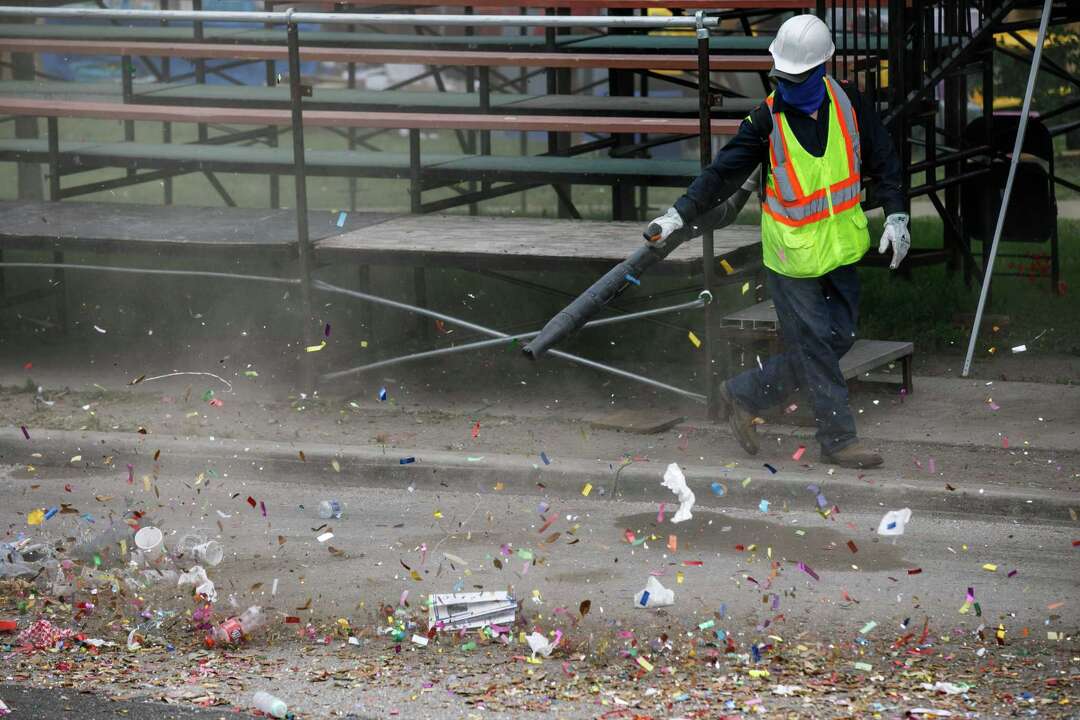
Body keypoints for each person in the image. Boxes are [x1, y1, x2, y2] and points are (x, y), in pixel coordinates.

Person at [645, 14, 910, 469]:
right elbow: (721, 174)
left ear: (823, 67)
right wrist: (676, 215)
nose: (789, 84)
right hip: (790, 259)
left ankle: (742, 392)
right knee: (814, 344)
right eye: (782, 77)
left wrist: (897, 214)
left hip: (841, 250)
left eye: (798, 76)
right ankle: (838, 438)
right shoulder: (764, 120)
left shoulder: (849, 102)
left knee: (839, 338)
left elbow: (884, 156)